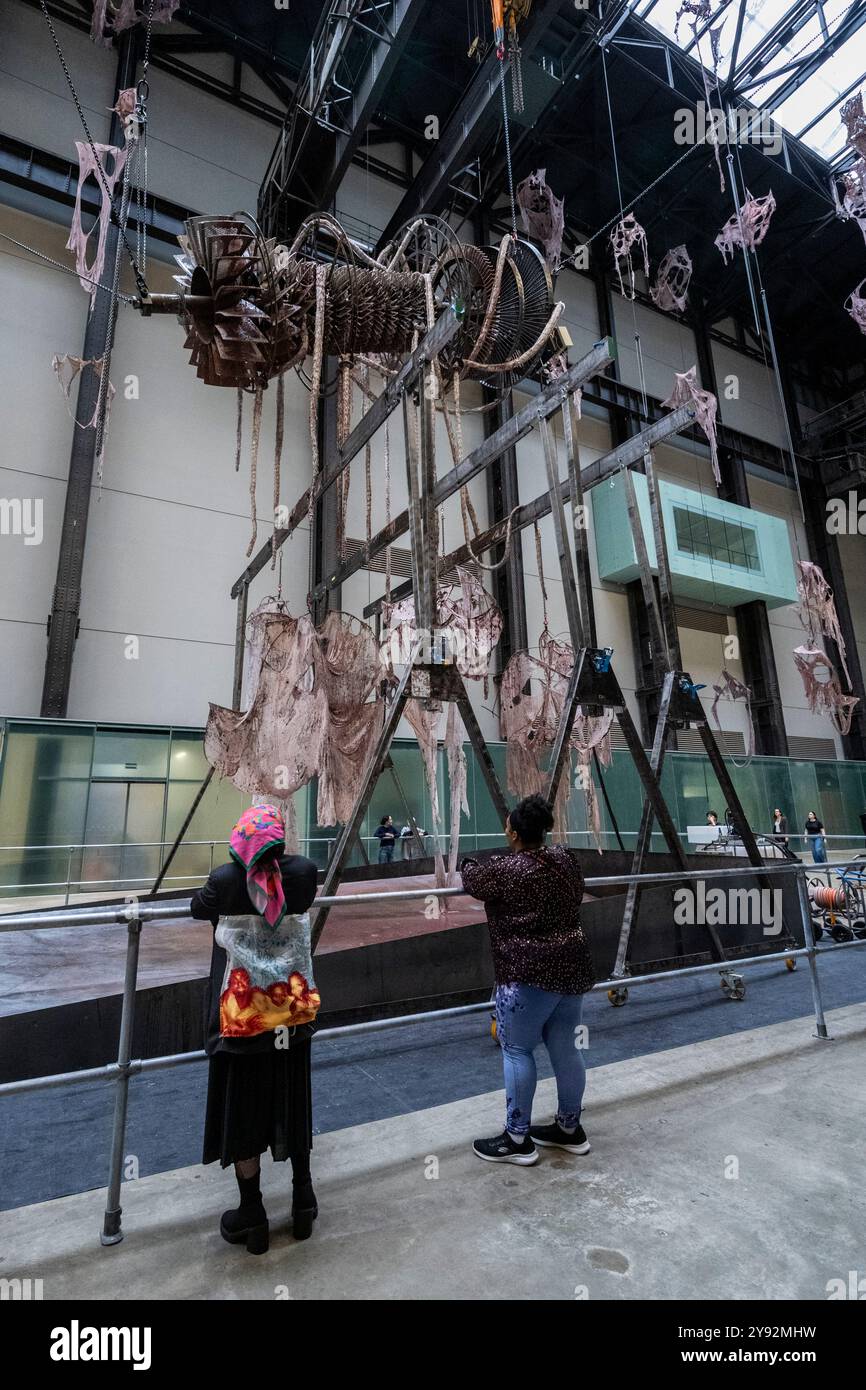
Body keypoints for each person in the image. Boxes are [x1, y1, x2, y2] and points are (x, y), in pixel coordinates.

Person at [190, 804, 320, 1254]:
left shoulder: (226, 880)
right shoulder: (304, 872)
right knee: (293, 1098)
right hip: (291, 1014)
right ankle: (304, 1201)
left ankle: (254, 1214)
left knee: (243, 1112)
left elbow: (196, 908)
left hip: (241, 1019)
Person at [460, 794, 595, 1166]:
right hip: (571, 967)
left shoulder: (508, 869)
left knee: (517, 1049)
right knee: (566, 1048)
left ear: (514, 832)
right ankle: (569, 1128)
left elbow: (473, 877)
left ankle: (517, 1138)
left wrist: (469, 859)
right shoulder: (566, 859)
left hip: (528, 973)